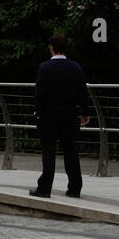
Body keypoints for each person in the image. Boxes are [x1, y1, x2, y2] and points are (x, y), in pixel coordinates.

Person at [30, 33, 89, 199]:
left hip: (49, 115)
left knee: (48, 150)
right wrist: (85, 112)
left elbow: (39, 93)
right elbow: (82, 91)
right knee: (71, 150)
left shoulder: (44, 68)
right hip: (70, 115)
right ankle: (75, 188)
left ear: (52, 48)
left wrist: (38, 111)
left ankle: (45, 188)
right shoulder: (75, 67)